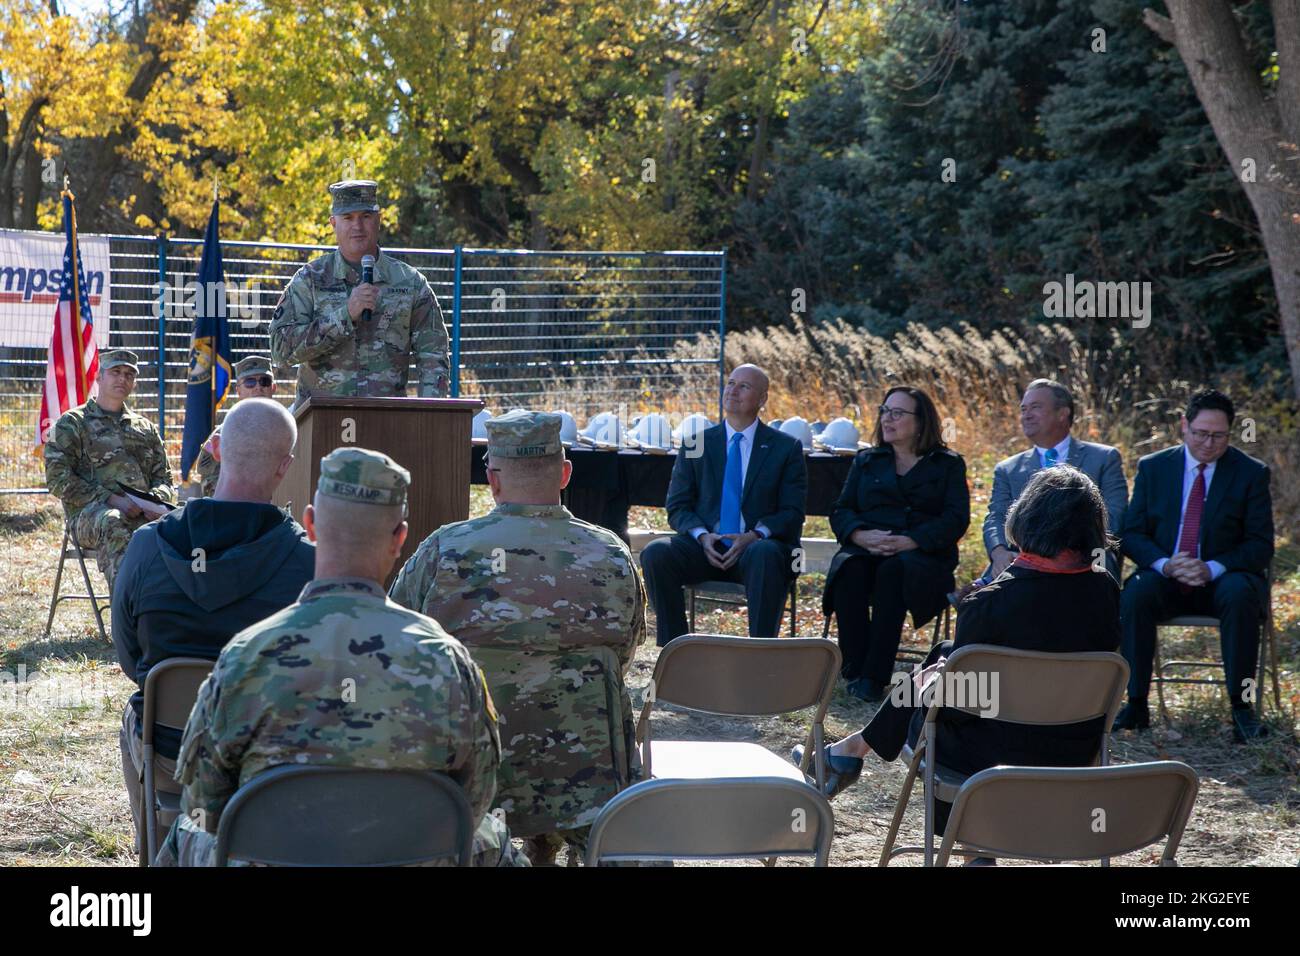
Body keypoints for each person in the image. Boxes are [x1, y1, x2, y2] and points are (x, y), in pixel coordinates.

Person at [156, 447, 523, 866]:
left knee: (184, 835)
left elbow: (206, 803)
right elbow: (474, 800)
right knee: (495, 838)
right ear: (400, 538)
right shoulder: (448, 662)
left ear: (310, 525)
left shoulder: (246, 657)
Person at [796, 467, 1120, 838]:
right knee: (944, 653)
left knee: (930, 685)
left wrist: (929, 684)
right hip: (1073, 748)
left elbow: (959, 705)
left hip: (988, 756)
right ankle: (850, 750)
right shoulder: (1106, 590)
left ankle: (970, 847)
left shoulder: (990, 602)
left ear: (1026, 518)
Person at [390, 409, 647, 865]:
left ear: (492, 479)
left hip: (472, 790)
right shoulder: (611, 554)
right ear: (565, 473)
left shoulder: (444, 550)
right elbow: (622, 655)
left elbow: (402, 652)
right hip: (590, 790)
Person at [112, 398, 314, 852]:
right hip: (267, 762)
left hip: (169, 753)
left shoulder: (147, 547)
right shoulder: (308, 563)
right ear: (285, 467)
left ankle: (163, 850)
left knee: (137, 710)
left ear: (216, 448)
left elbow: (130, 658)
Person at [1117, 388, 1273, 741]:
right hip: (1166, 576)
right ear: (1184, 426)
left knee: (1240, 594)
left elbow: (1260, 544)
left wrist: (1212, 567)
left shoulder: (1250, 473)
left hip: (1223, 579)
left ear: (1230, 434)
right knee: (1135, 593)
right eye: (1200, 433)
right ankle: (1136, 704)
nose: (1208, 443)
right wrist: (1165, 564)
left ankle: (1242, 708)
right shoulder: (1153, 467)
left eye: (1218, 436)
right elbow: (1131, 533)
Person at [640, 364, 807, 645]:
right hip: (705, 547)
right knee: (656, 553)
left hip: (756, 551)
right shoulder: (697, 443)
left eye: (744, 386)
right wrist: (702, 536)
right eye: (730, 383)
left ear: (762, 399)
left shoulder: (785, 448)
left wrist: (753, 536)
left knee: (764, 553)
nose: (733, 390)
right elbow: (678, 506)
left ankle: (761, 652)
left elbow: (792, 512)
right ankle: (677, 649)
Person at [823, 386, 970, 702]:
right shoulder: (867, 460)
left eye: (898, 413)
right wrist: (859, 535)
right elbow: (841, 510)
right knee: (851, 568)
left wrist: (913, 540)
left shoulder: (947, 464)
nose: (888, 419)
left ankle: (874, 677)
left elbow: (956, 519)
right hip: (867, 547)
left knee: (894, 572)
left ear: (921, 422)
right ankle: (854, 666)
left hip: (924, 556)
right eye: (885, 411)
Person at [268, 180, 450, 407]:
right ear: (333, 223)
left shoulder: (410, 282)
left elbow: (433, 356)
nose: (358, 226)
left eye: (365, 216)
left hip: (387, 419)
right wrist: (344, 315)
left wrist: (430, 414)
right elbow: (280, 352)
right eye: (348, 218)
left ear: (378, 220)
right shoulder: (309, 280)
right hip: (321, 420)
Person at [44, 349, 174, 591]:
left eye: (129, 374)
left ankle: (177, 609)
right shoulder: (72, 423)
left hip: (147, 513)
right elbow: (57, 479)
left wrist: (155, 501)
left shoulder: (145, 428)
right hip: (91, 515)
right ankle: (128, 612)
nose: (123, 379)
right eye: (116, 372)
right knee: (115, 521)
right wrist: (112, 500)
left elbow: (164, 478)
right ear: (99, 376)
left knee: (191, 518)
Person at [977, 378, 1127, 586]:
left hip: (1087, 554)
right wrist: (999, 551)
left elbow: (1115, 514)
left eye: (1035, 407)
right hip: (1023, 557)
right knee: (981, 597)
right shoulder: (1008, 469)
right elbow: (996, 517)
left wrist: (1066, 550)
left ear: (1062, 413)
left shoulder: (1104, 458)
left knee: (1099, 574)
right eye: (1023, 409)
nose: (1026, 415)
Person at [191, 354, 277, 497]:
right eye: (250, 383)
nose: (258, 388)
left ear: (273, 388)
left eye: (264, 381)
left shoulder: (288, 429)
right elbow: (211, 486)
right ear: (238, 391)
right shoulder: (224, 435)